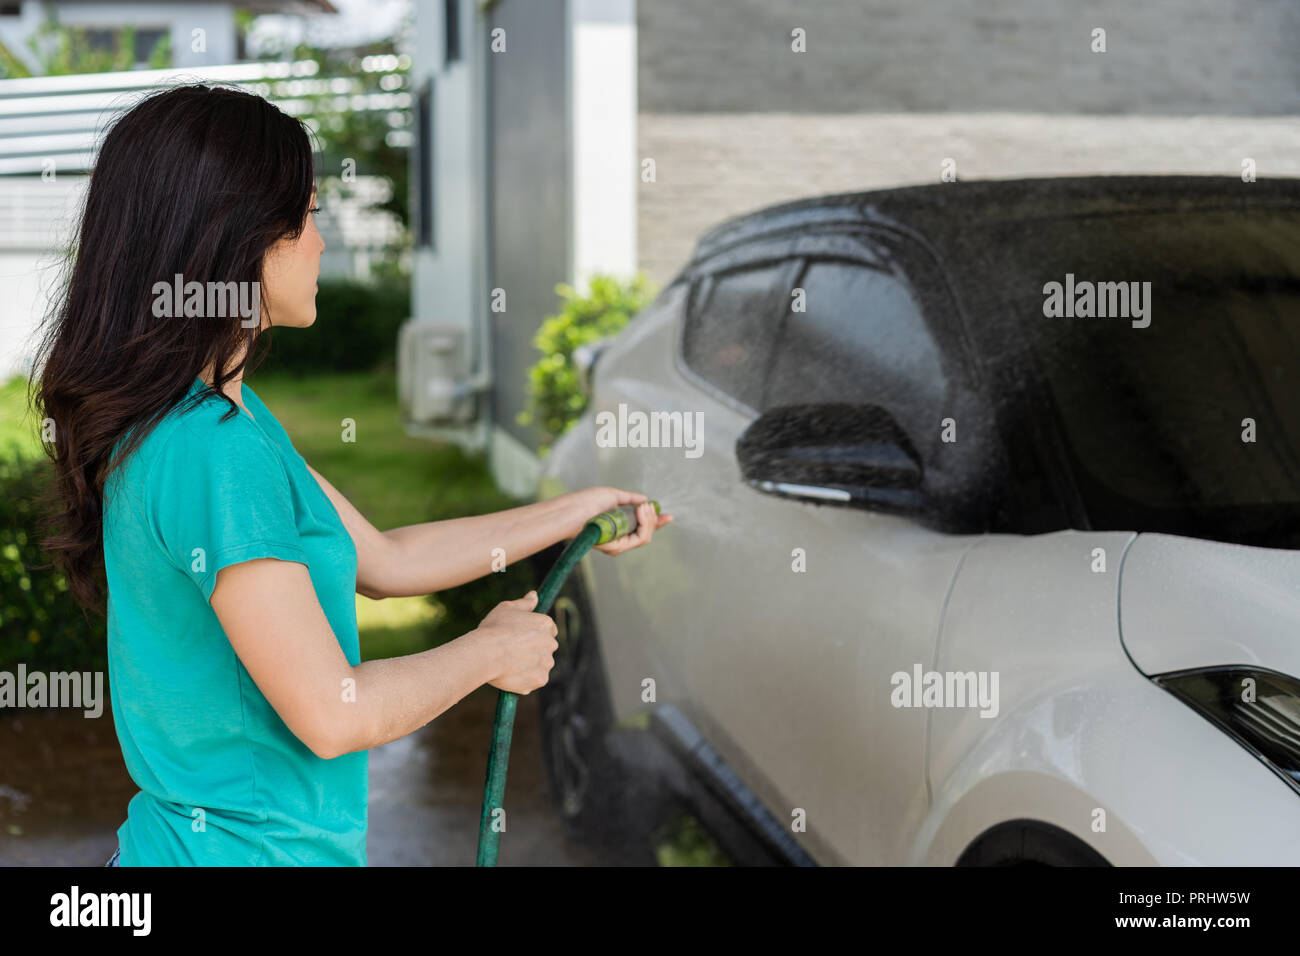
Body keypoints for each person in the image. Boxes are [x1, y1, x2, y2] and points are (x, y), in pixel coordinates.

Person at [33, 84, 671, 866]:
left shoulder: (206, 419)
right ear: (231, 240)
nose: (321, 240)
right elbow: (334, 713)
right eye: (304, 216)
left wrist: (577, 511)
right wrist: (488, 652)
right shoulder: (211, 451)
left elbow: (387, 559)